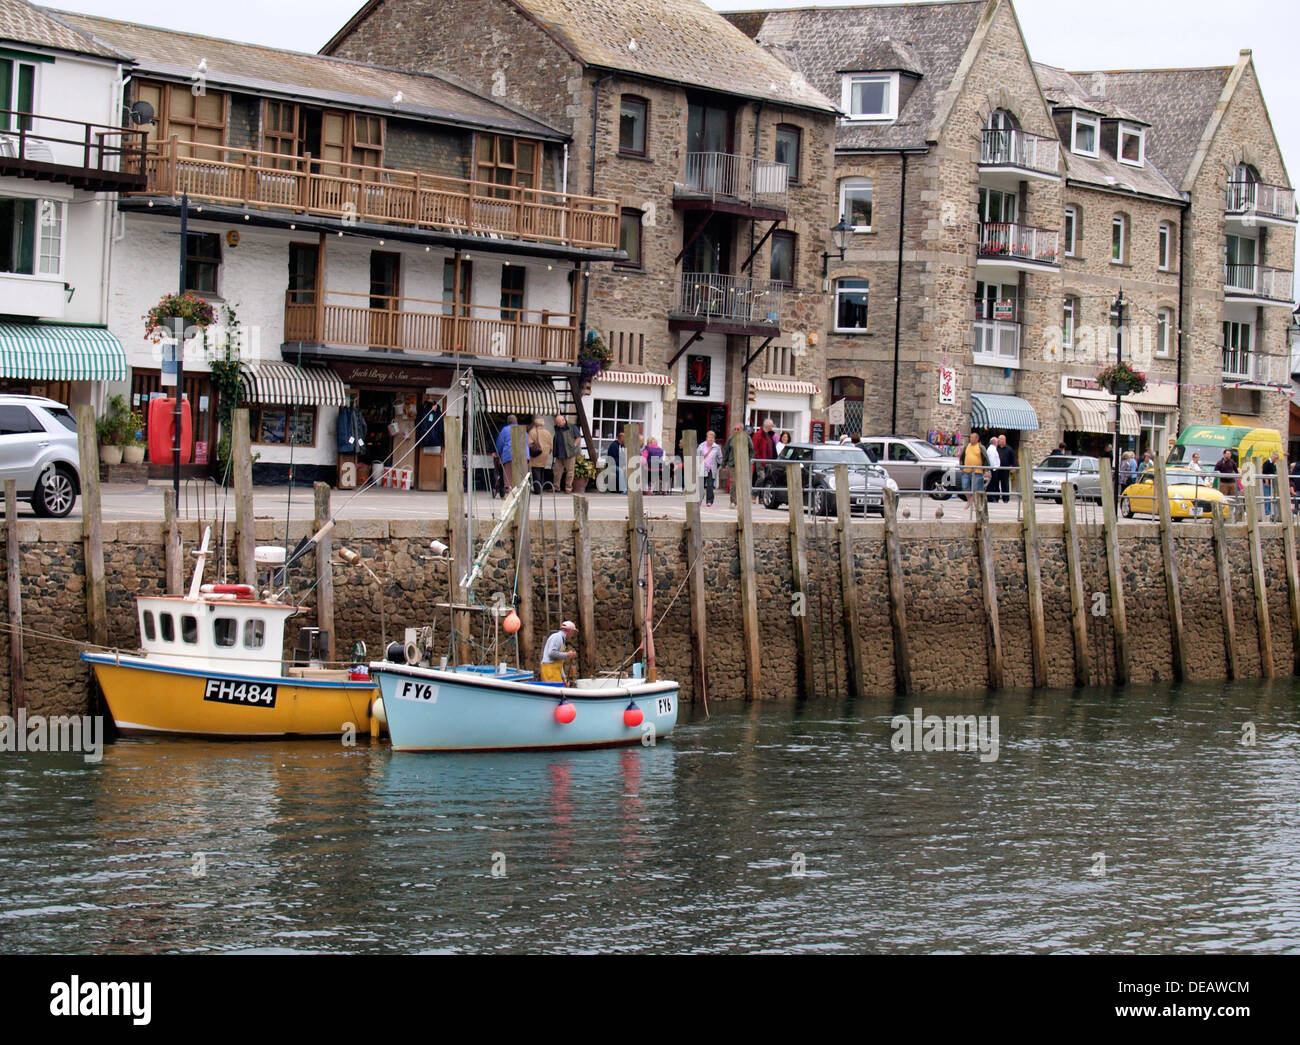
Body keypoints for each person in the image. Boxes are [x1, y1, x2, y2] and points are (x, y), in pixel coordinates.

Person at [751, 418, 777, 500]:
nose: (772, 427)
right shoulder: (758, 434)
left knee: (766, 479)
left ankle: (762, 497)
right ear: (768, 426)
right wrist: (758, 458)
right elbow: (755, 448)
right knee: (761, 477)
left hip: (768, 461)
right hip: (760, 460)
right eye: (772, 425)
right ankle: (754, 494)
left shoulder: (769, 435)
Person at [959, 431, 989, 499]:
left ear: (977, 439)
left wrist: (986, 470)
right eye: (970, 437)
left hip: (977, 471)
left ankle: (977, 503)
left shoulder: (981, 447)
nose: (971, 439)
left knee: (977, 488)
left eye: (973, 438)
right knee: (965, 486)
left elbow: (985, 458)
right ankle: (969, 500)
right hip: (966, 470)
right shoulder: (967, 446)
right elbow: (962, 457)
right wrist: (961, 466)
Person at [721, 423, 746, 505]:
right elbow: (726, 452)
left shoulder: (746, 438)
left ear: (742, 430)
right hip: (732, 464)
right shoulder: (731, 439)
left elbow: (751, 450)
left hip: (743, 464)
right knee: (733, 482)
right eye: (734, 429)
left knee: (742, 483)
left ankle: (742, 500)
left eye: (737, 429)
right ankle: (733, 501)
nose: (736, 431)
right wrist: (724, 464)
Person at [494, 413, 518, 495]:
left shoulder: (505, 430)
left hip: (509, 454)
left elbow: (500, 443)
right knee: (519, 473)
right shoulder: (522, 429)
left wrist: (498, 453)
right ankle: (519, 490)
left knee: (508, 473)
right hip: (522, 455)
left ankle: (509, 491)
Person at [528, 416, 553, 493]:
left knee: (535, 471)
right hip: (545, 454)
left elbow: (529, 443)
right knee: (542, 470)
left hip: (536, 454)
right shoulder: (548, 433)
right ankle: (541, 487)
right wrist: (548, 451)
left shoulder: (532, 432)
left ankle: (537, 489)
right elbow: (551, 445)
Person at [698, 430, 722, 507]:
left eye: (712, 438)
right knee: (701, 484)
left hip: (712, 468)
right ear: (706, 438)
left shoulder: (716, 447)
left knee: (710, 485)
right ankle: (699, 499)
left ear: (714, 439)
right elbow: (697, 456)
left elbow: (720, 457)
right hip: (702, 467)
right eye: (709, 437)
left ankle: (709, 501)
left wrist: (720, 464)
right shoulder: (701, 446)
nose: (710, 439)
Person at [552, 413, 575, 493]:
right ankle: (556, 487)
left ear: (563, 420)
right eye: (556, 423)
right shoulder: (558, 428)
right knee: (557, 471)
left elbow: (578, 437)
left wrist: (573, 446)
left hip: (569, 454)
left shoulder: (571, 427)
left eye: (558, 423)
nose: (557, 424)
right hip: (559, 453)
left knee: (570, 472)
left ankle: (568, 488)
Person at [604, 429, 626, 494]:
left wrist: (625, 465)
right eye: (625, 438)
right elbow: (614, 459)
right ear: (621, 438)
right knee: (620, 471)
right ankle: (623, 489)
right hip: (612, 465)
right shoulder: (614, 446)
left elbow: (624, 457)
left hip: (620, 465)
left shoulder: (623, 446)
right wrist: (621, 466)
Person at [997, 435, 1017, 503]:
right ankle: (996, 497)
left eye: (1000, 439)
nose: (999, 441)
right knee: (996, 483)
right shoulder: (996, 448)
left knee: (1005, 484)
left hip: (1005, 469)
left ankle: (1005, 498)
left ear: (1004, 440)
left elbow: (1013, 459)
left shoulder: (1009, 449)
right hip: (997, 469)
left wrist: (1013, 467)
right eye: (998, 439)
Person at [1263, 451, 1280, 518]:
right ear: (1273, 457)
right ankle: (1267, 511)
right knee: (1267, 496)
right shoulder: (1267, 463)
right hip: (1267, 482)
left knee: (1270, 496)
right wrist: (1266, 480)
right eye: (1275, 459)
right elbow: (1264, 472)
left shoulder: (1273, 464)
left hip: (1271, 482)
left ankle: (1269, 510)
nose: (1276, 460)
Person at [986, 435, 1002, 500]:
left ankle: (993, 496)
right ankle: (990, 497)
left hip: (995, 468)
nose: (998, 443)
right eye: (997, 442)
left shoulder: (993, 449)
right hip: (993, 469)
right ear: (994, 442)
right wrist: (994, 468)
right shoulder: (991, 450)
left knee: (994, 483)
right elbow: (992, 460)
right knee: (992, 483)